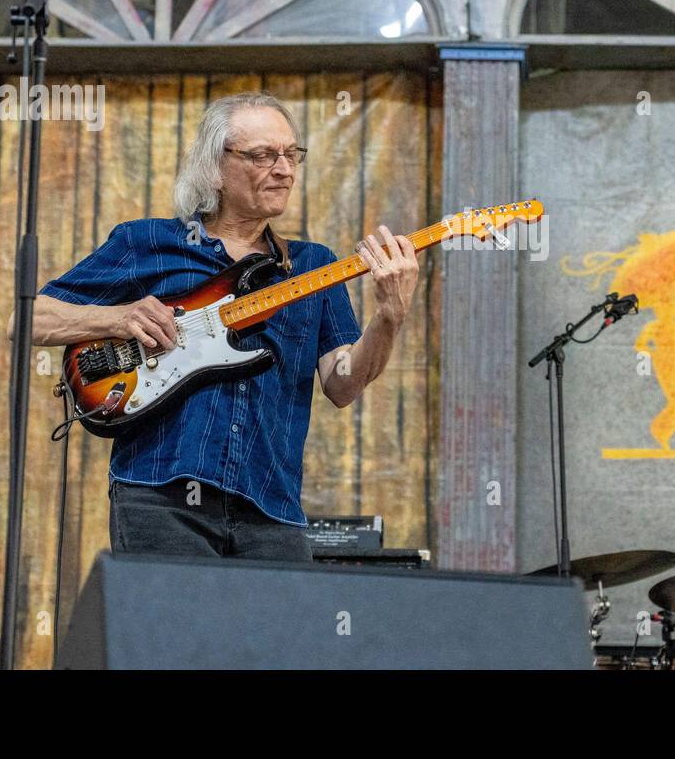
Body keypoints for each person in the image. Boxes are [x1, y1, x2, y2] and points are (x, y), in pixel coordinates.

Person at [28, 92, 420, 562]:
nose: (284, 169)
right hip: (161, 496)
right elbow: (27, 319)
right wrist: (118, 316)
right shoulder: (147, 241)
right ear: (214, 167)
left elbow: (344, 383)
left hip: (271, 508)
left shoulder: (314, 266)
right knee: (171, 639)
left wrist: (390, 316)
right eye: (262, 155)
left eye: (291, 154)